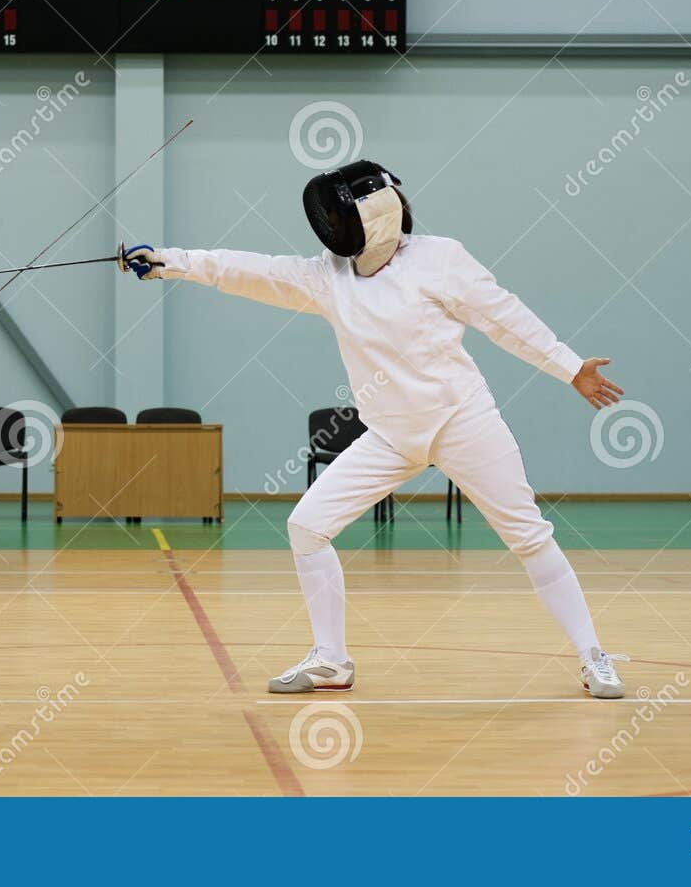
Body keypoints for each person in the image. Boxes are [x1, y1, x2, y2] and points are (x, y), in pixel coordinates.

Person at [122, 160, 628, 698]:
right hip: (390, 433)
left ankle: (592, 655)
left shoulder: (440, 259)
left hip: (463, 421)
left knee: (528, 535)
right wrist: (169, 263)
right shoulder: (328, 278)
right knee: (307, 526)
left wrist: (569, 366)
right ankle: (332, 661)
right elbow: (250, 270)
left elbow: (503, 316)